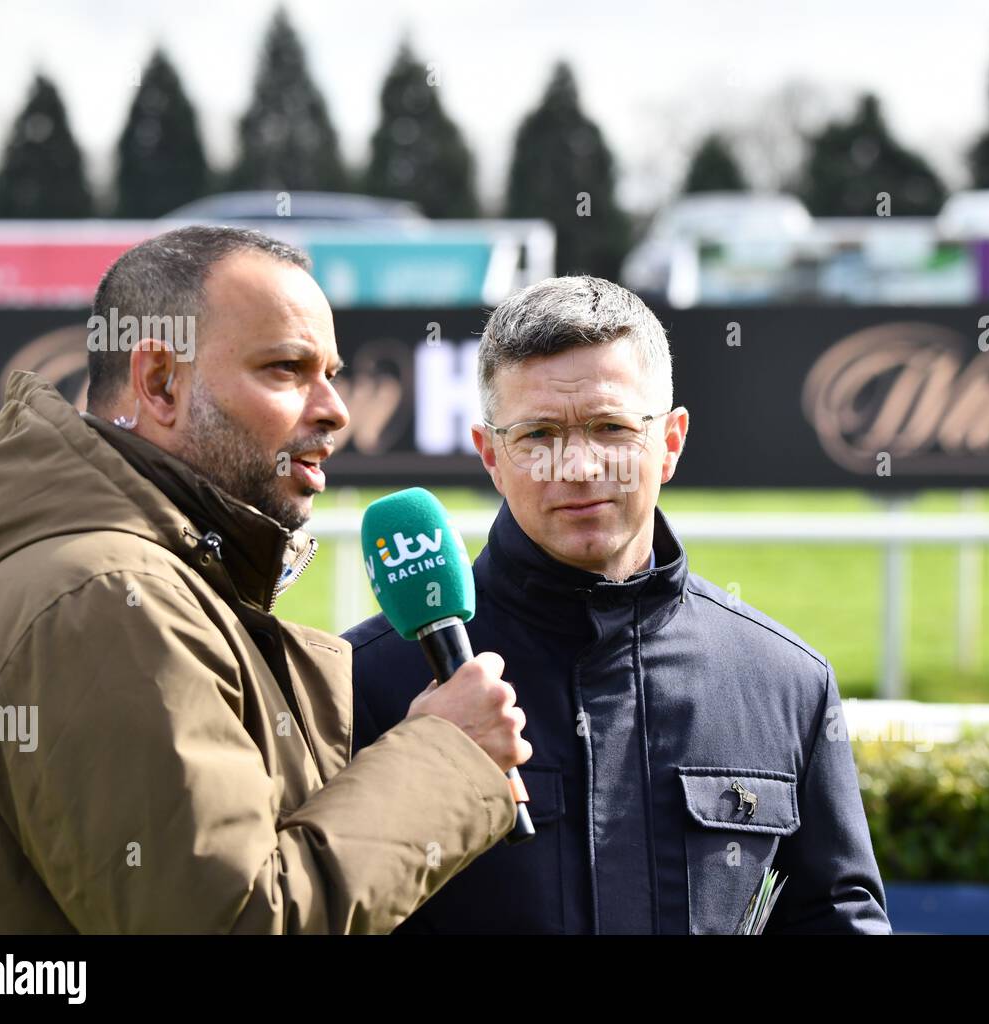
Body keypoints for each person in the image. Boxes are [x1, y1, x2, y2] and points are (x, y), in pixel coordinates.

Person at [0, 225, 531, 934]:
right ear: (161, 383)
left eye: (332, 374)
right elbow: (234, 922)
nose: (336, 410)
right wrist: (446, 758)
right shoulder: (107, 596)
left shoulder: (141, 577)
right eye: (286, 368)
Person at [346, 275, 892, 934]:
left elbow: (835, 918)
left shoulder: (788, 683)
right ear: (491, 455)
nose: (577, 466)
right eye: (539, 435)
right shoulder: (361, 683)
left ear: (669, 442)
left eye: (610, 428)